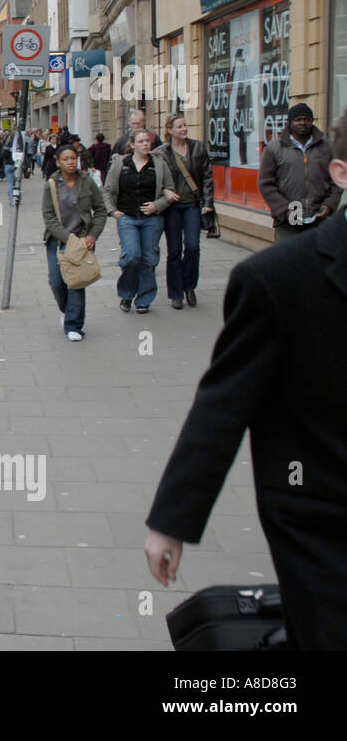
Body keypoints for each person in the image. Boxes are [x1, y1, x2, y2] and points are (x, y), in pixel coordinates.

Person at [145, 111, 347, 650]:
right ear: (342, 174)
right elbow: (224, 404)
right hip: (325, 531)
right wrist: (173, 519)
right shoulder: (280, 280)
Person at [103, 129, 175, 313]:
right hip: (127, 217)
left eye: (147, 141)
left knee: (149, 260)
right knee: (132, 256)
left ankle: (144, 299)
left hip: (152, 219)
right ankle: (127, 294)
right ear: (132, 144)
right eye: (141, 141)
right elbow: (107, 190)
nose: (145, 144)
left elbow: (170, 190)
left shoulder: (159, 164)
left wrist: (157, 205)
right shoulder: (121, 163)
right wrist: (112, 211)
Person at [41, 144, 108, 341]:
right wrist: (68, 238)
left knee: (76, 282)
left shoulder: (87, 182)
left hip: (82, 240)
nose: (70, 162)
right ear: (58, 162)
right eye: (66, 159)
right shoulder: (52, 184)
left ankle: (74, 326)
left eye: (73, 158)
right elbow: (49, 216)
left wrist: (92, 236)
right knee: (56, 281)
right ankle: (67, 310)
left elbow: (101, 210)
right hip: (58, 240)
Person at [257, 102, 342, 242]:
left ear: (311, 121)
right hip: (288, 222)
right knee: (288, 262)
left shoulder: (327, 147)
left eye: (307, 119)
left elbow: (338, 180)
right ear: (290, 122)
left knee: (319, 262)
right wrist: (286, 210)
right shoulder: (274, 148)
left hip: (319, 220)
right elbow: (265, 184)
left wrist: (329, 205)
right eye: (298, 120)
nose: (303, 123)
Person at [155, 113, 214, 309]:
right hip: (172, 207)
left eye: (185, 126)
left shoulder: (197, 147)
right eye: (179, 126)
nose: (184, 129)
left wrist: (208, 202)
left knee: (193, 247)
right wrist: (165, 192)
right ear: (169, 130)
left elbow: (207, 176)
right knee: (174, 251)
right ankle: (176, 293)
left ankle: (190, 286)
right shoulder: (161, 153)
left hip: (192, 206)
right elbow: (155, 178)